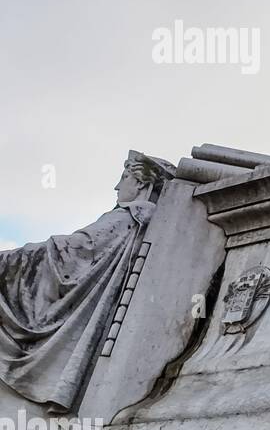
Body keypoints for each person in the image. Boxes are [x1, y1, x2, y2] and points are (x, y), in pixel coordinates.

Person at [0, 151, 173, 411]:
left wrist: (10, 259)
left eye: (124, 177)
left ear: (141, 184)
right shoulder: (139, 218)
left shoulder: (126, 217)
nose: (117, 186)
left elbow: (71, 250)